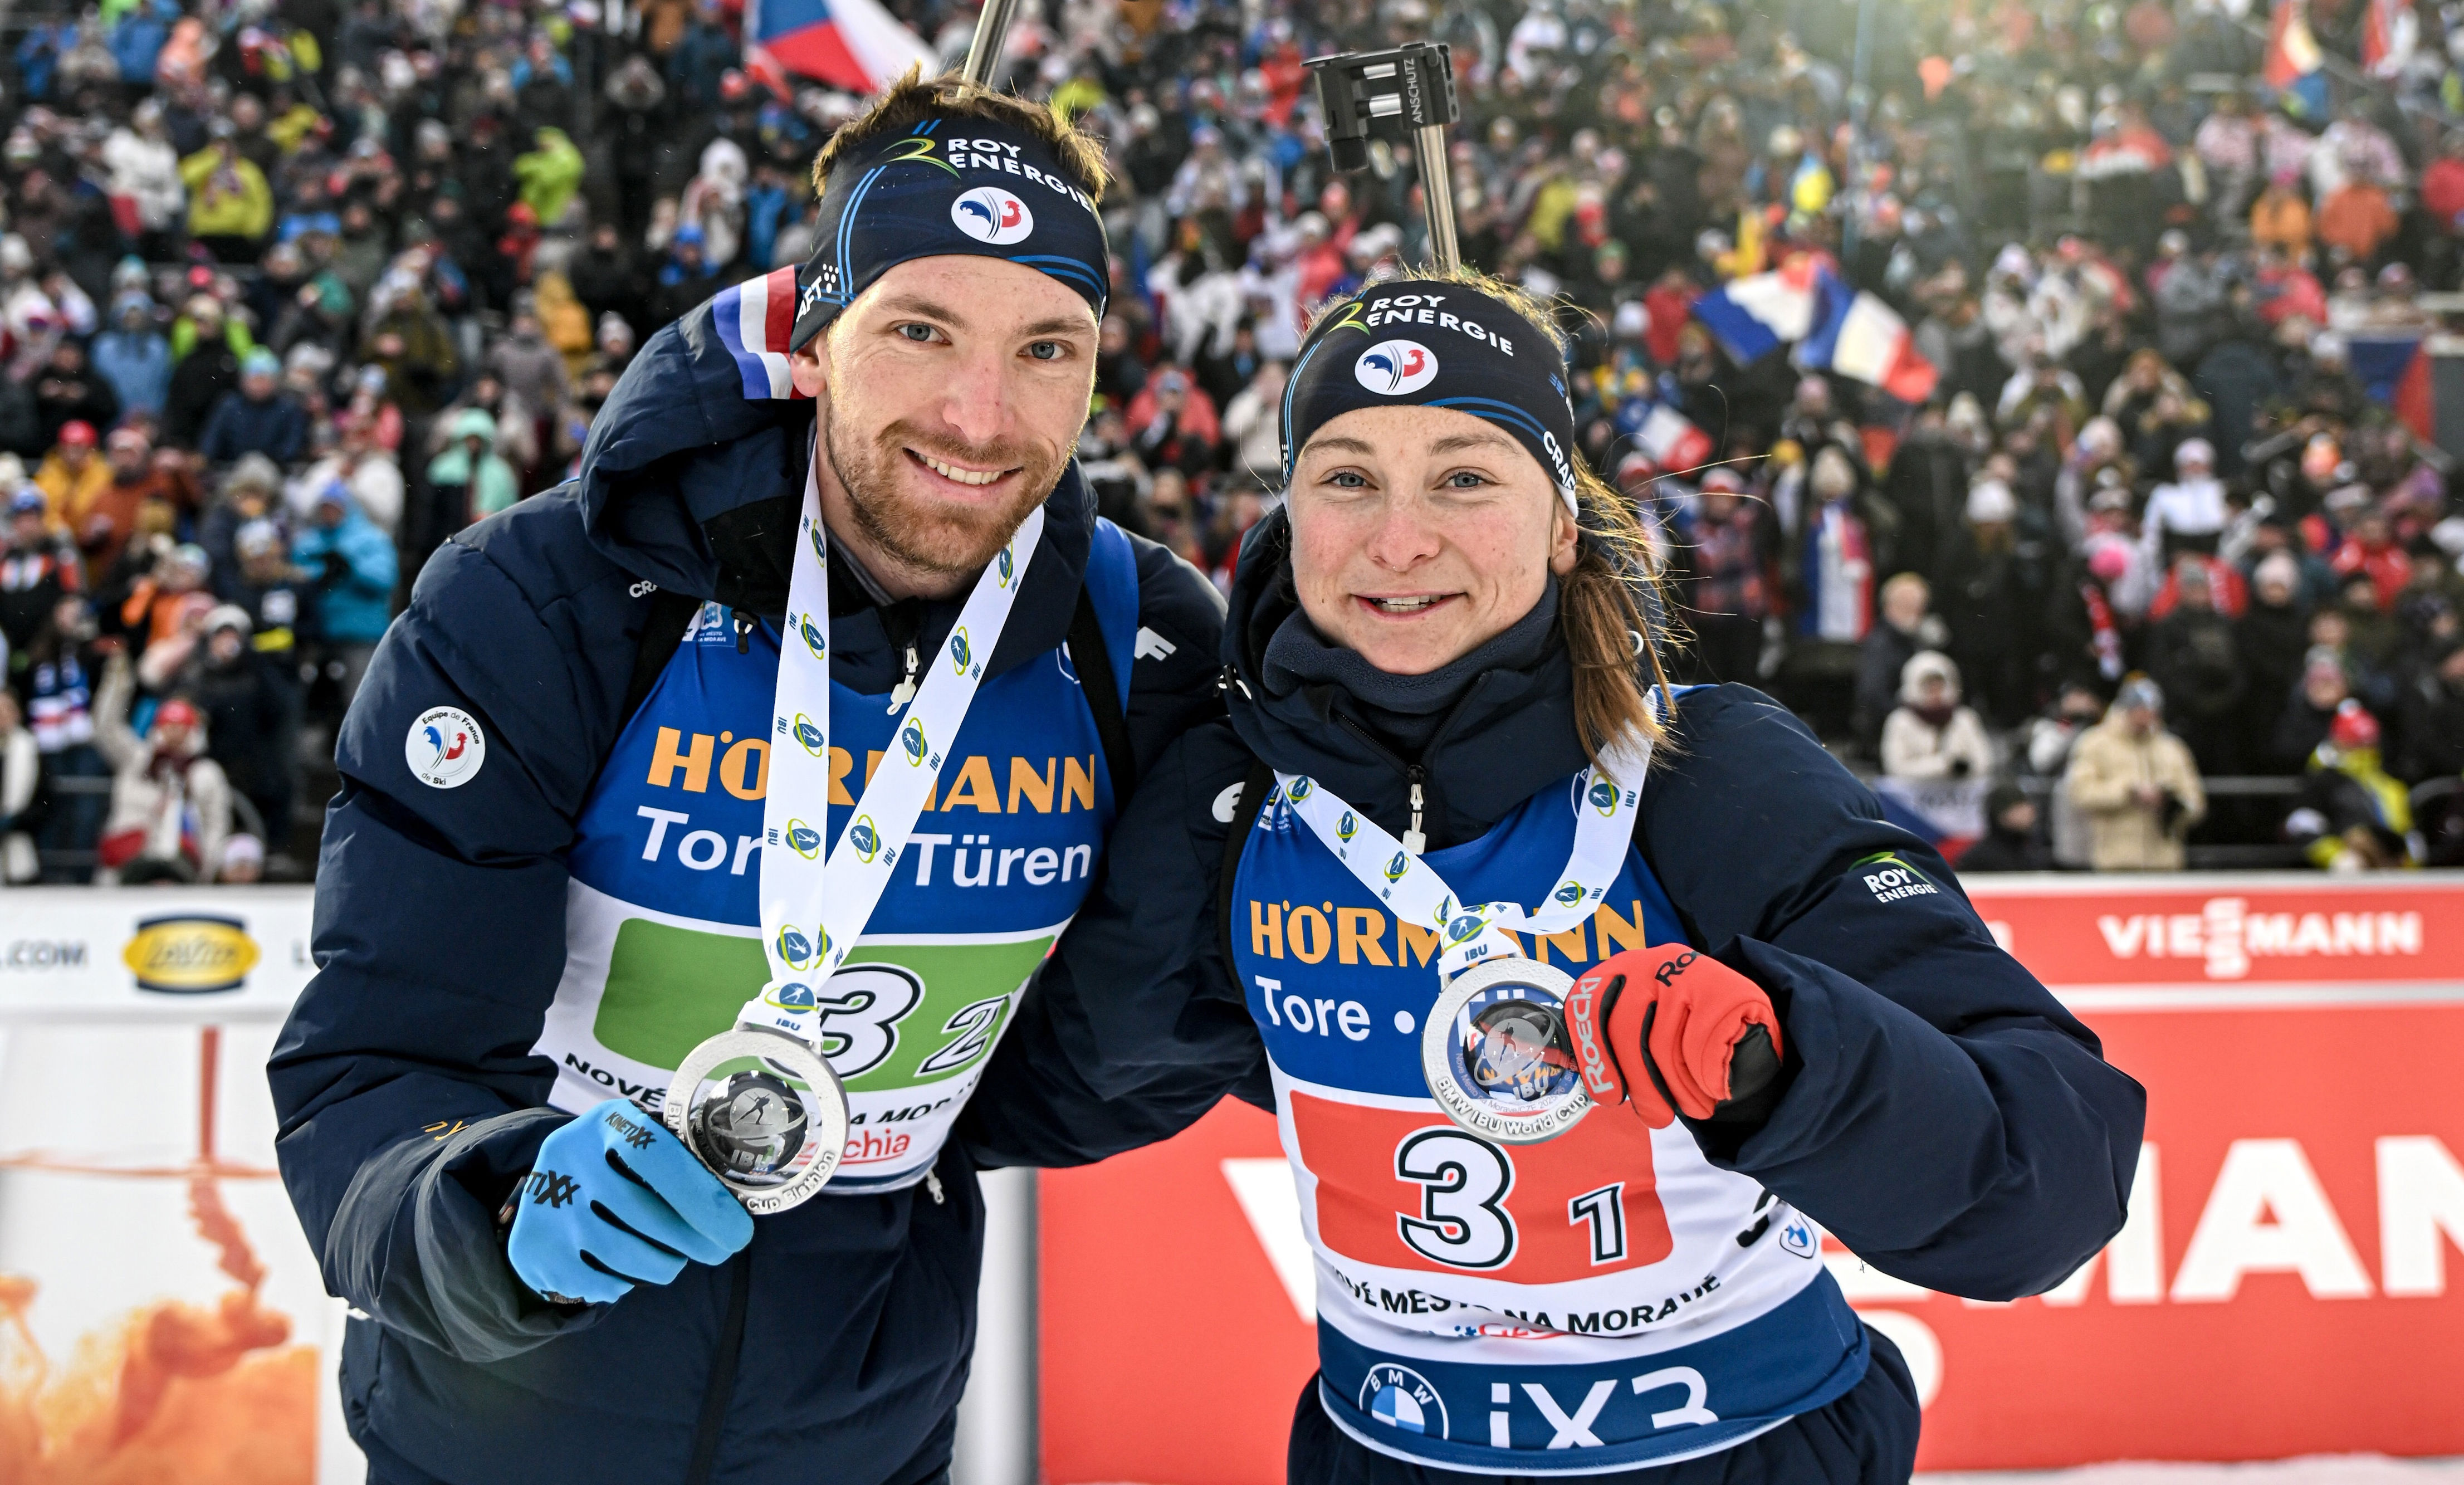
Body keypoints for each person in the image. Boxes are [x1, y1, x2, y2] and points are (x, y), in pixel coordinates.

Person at [968, 273, 2144, 1482]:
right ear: (1288, 514)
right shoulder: (1232, 800)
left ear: (1565, 522)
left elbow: (2047, 1178)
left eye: (1465, 476)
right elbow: (1038, 1085)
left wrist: (1786, 1063)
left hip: (1746, 1453)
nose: (1398, 538)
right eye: (1348, 476)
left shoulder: (1705, 772)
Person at [268, 75, 1228, 1485]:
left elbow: (1106, 1054)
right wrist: (488, 1205)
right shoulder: (556, 602)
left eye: (1048, 347)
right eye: (920, 328)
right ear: (816, 335)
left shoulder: (1133, 644)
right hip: (491, 1434)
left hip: (866, 1436)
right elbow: (373, 1058)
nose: (981, 413)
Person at [91, 649, 233, 884]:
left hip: (182, 870)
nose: (174, 734)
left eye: (181, 727)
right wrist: (118, 682)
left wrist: (207, 872)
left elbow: (217, 825)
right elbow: (106, 728)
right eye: (169, 726)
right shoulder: (137, 759)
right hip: (128, 865)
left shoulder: (206, 772)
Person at [2064, 676, 2207, 871]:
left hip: (2164, 862)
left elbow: (2196, 804)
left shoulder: (2172, 749)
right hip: (2116, 862)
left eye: (2152, 712)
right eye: (2140, 711)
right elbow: (2081, 793)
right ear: (2126, 711)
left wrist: (2169, 801)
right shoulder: (2095, 744)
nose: (2146, 718)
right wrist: (2128, 792)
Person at [289, 483, 397, 709]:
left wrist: (351, 569)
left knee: (361, 703)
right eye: (325, 508)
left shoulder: (371, 539)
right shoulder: (309, 541)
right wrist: (321, 573)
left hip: (360, 635)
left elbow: (385, 579)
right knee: (311, 706)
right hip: (318, 637)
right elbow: (295, 574)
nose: (330, 513)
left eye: (335, 508)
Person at [2285, 700, 2420, 870]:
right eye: (2355, 743)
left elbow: (2408, 833)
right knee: (2359, 838)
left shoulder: (2390, 785)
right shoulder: (2324, 780)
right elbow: (2302, 824)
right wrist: (2336, 857)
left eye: (2367, 744)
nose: (2363, 749)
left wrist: (2409, 860)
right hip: (2347, 867)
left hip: (2395, 868)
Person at [1879, 649, 1996, 780]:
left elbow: (1984, 761)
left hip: (1961, 797)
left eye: (1940, 687)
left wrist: (1963, 768)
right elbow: (1895, 766)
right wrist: (1943, 766)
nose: (1935, 694)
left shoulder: (1965, 719)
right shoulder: (1900, 722)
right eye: (1929, 688)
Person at [1957, 782, 2056, 872]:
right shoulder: (1980, 859)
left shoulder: (2032, 853)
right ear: (2002, 815)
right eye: (2019, 807)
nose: (2029, 811)